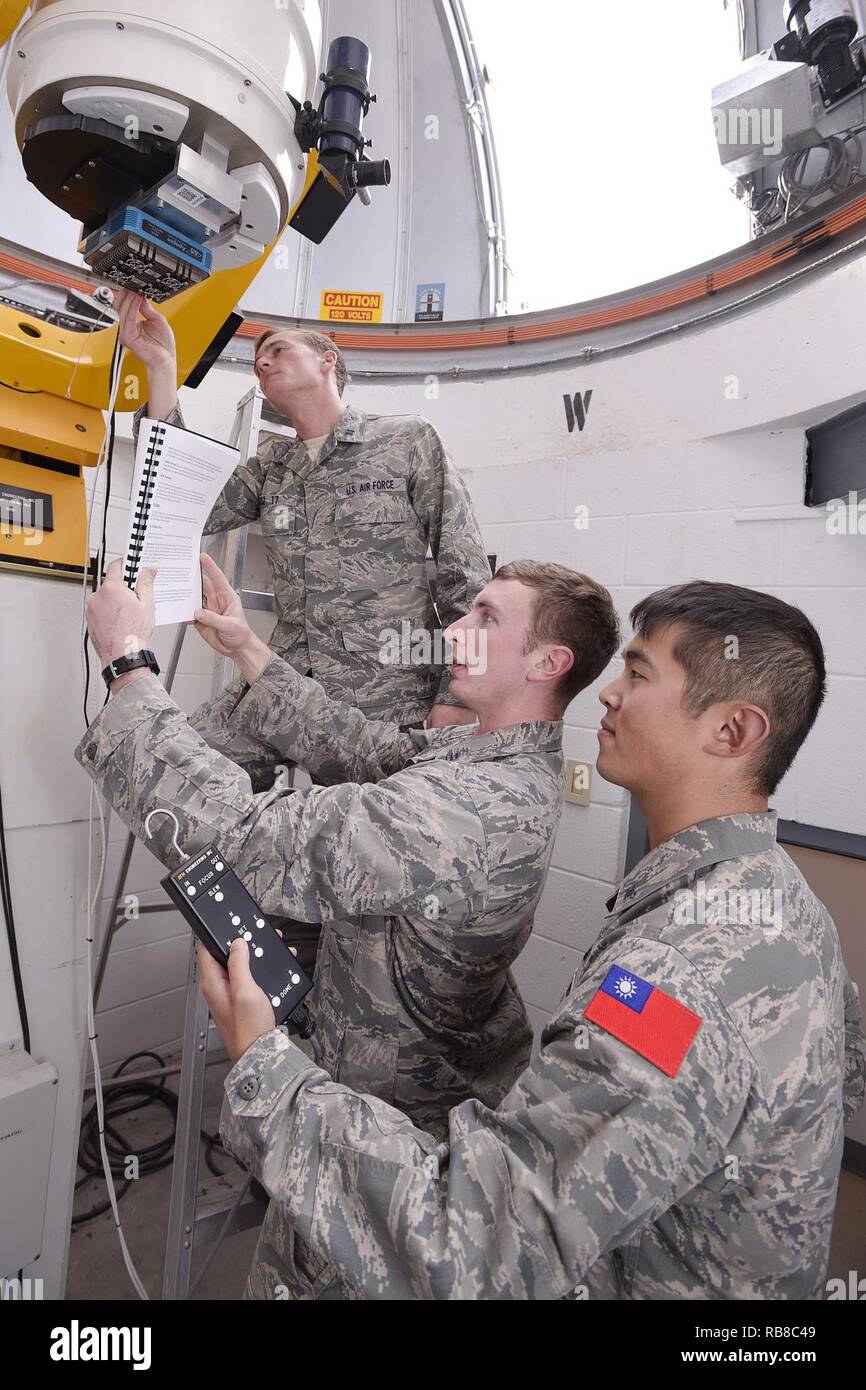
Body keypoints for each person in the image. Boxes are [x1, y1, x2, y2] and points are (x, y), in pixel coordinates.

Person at [185, 581, 865, 1300]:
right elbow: (839, 1080)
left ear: (732, 732)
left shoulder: (676, 975)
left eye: (639, 674)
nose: (608, 694)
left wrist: (263, 1063)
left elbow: (478, 1246)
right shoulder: (783, 900)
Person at [75, 551, 621, 1299]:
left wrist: (128, 666)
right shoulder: (482, 755)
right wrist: (247, 648)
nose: (455, 631)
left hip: (388, 1133)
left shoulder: (479, 808)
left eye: (487, 618)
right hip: (398, 1081)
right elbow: (362, 747)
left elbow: (247, 840)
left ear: (547, 662)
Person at [117, 288, 492, 968]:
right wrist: (162, 370)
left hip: (384, 698)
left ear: (328, 359)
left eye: (279, 348)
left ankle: (331, 981)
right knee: (166, 766)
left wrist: (460, 697)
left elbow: (465, 575)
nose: (263, 361)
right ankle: (257, 952)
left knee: (372, 874)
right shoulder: (272, 465)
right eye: (257, 357)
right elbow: (182, 502)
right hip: (283, 683)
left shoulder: (407, 441)